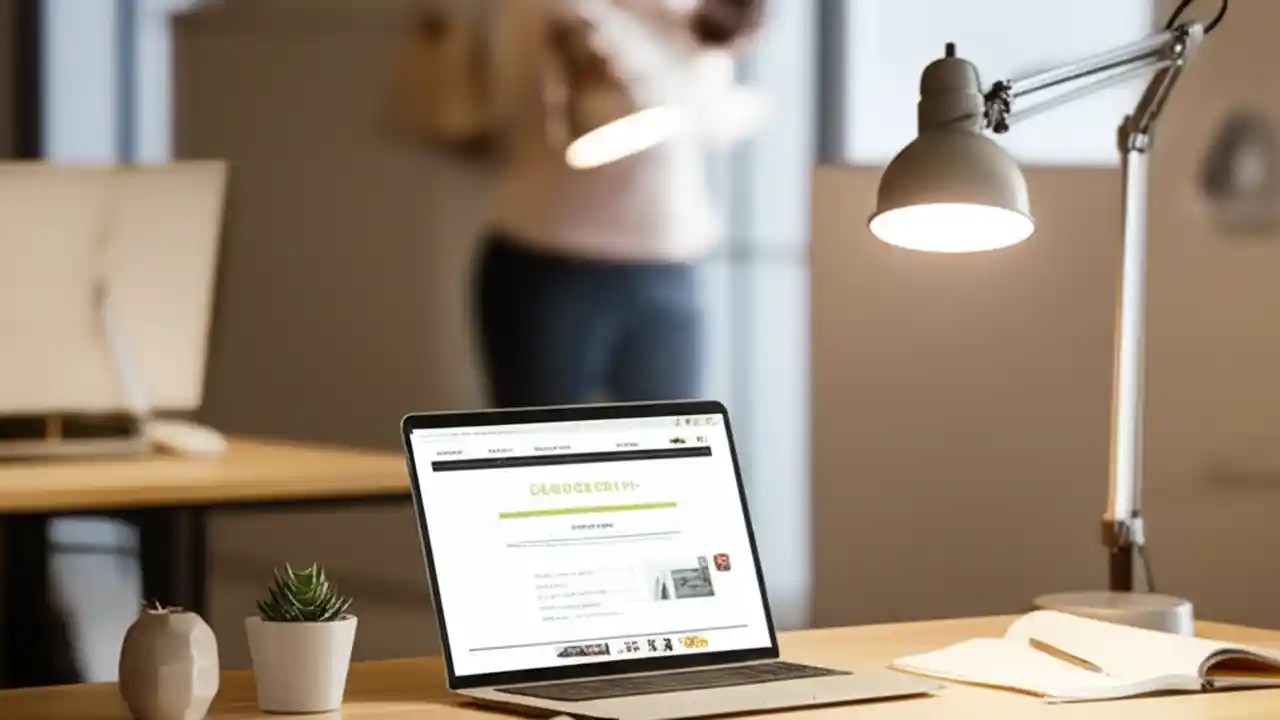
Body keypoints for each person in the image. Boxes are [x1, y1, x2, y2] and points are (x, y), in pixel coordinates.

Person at [477, 0, 765, 407]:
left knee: (672, 447)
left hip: (668, 260)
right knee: (542, 450)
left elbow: (708, 124)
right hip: (552, 258)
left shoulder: (693, 11)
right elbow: (611, 114)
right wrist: (732, 107)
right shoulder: (555, 10)